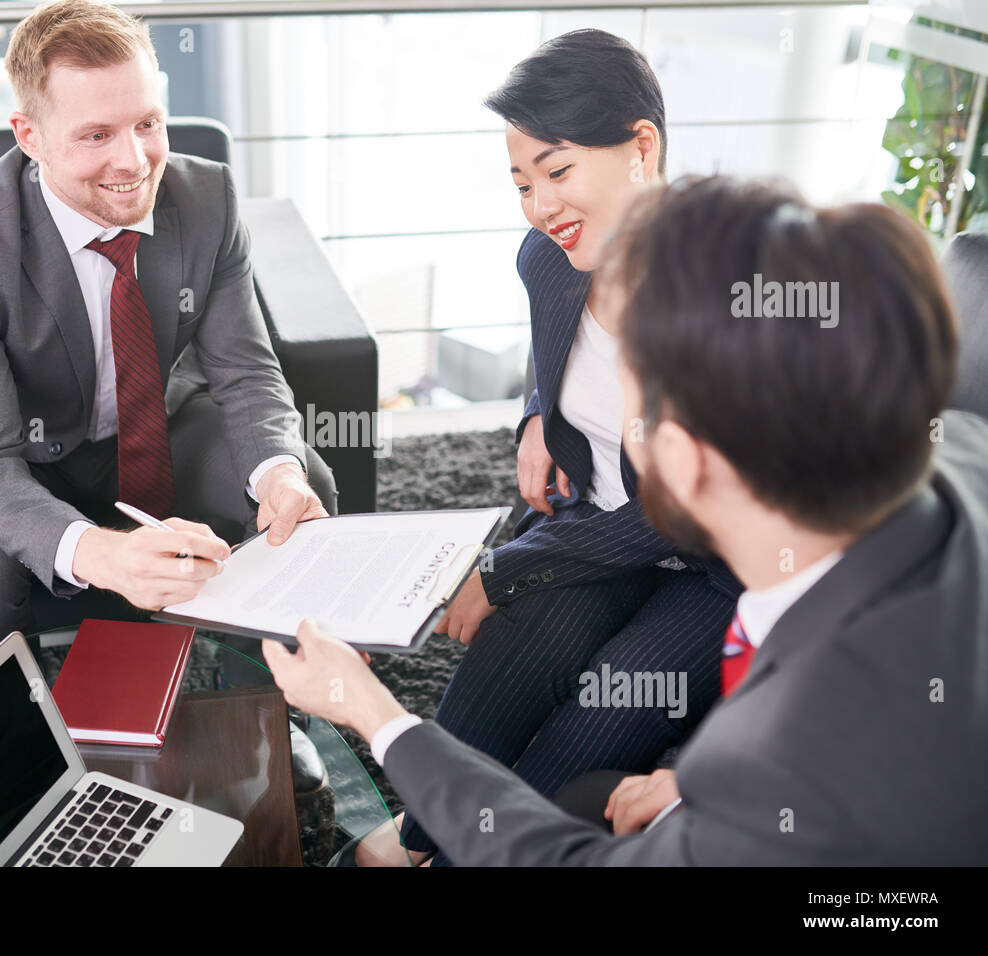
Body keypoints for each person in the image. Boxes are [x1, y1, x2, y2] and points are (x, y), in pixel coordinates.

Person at [264, 174, 988, 865]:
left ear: (681, 456)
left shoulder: (784, 777)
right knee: (583, 791)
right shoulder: (960, 445)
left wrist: (369, 709)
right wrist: (687, 785)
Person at [377, 30, 741, 866]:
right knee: (513, 650)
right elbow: (565, 365)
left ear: (639, 147)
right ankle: (421, 835)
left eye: (558, 170)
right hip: (595, 522)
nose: (540, 204)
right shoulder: (550, 257)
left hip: (711, 562)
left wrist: (506, 567)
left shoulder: (718, 293)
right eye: (522, 183)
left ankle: (485, 854)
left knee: (607, 705)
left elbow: (678, 510)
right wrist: (539, 415)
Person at [0, 0, 334, 670]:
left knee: (305, 489)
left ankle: (274, 713)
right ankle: (33, 741)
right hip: (7, 446)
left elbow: (245, 371)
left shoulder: (208, 197)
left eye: (147, 124)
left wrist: (279, 473)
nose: (134, 162)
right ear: (30, 136)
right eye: (95, 136)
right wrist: (102, 554)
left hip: (153, 424)